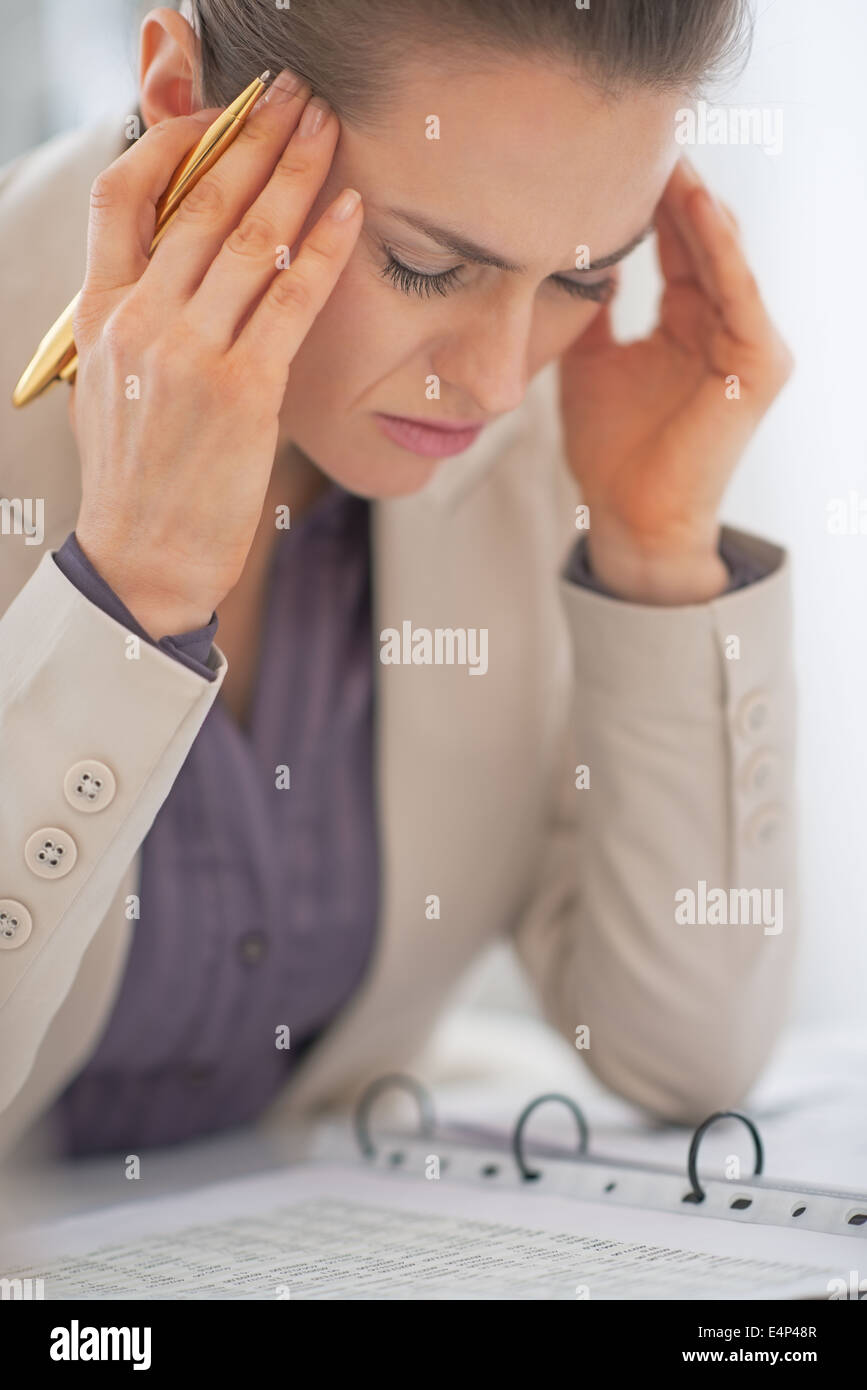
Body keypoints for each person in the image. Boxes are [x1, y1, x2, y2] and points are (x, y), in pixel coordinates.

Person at [0, 0, 796, 1158]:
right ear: (182, 104)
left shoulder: (550, 437)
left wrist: (659, 554)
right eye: (428, 266)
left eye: (585, 277)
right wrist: (129, 591)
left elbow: (688, 1052)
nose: (495, 380)